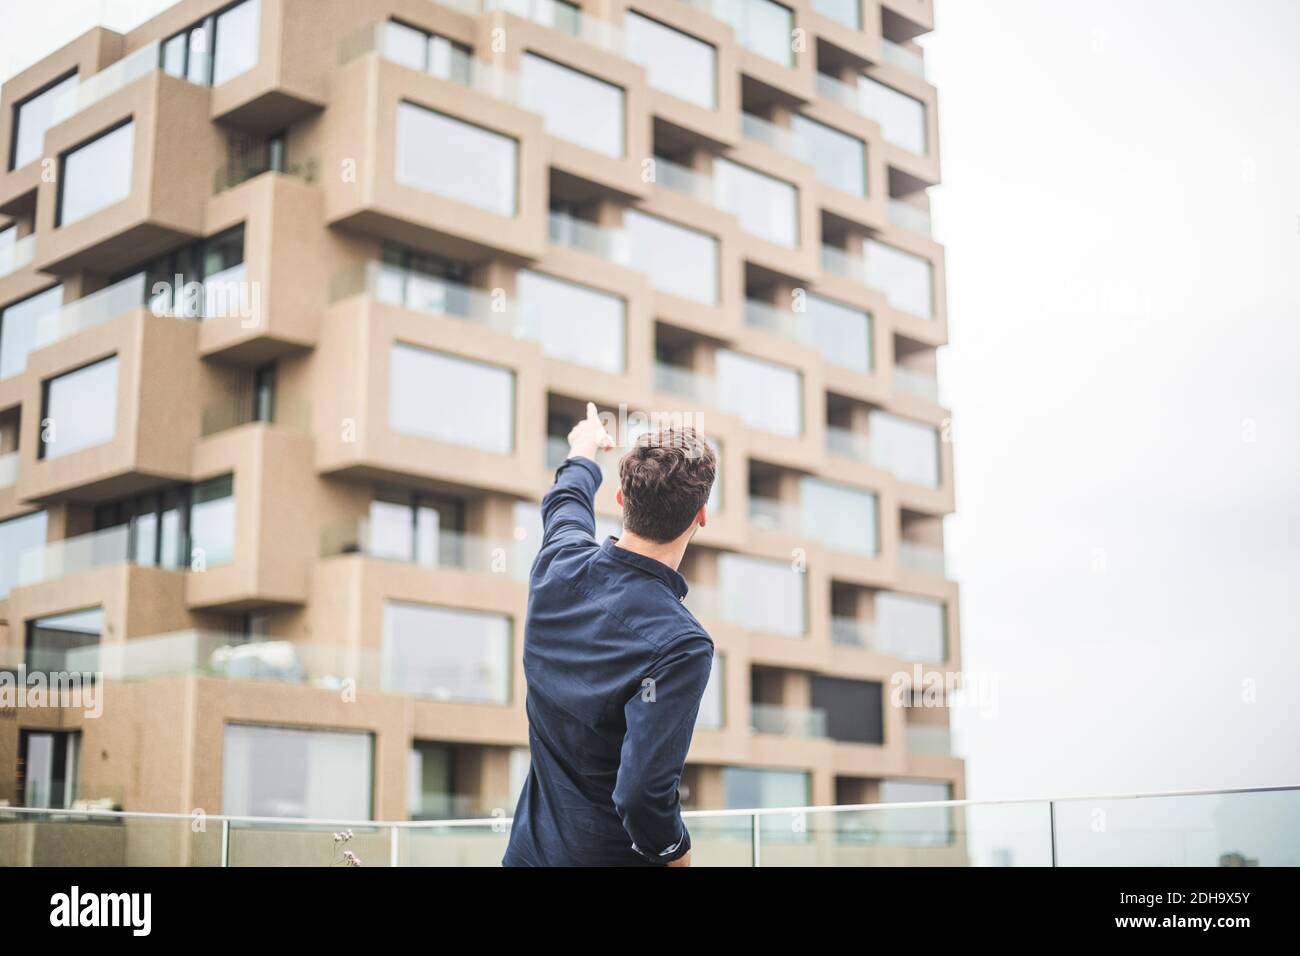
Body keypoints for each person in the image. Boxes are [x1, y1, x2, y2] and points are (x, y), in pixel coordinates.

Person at [503, 404, 717, 867]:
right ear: (700, 516)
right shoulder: (682, 645)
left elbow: (565, 501)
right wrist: (678, 858)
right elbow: (641, 794)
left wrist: (584, 448)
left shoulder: (558, 565)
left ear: (622, 500)